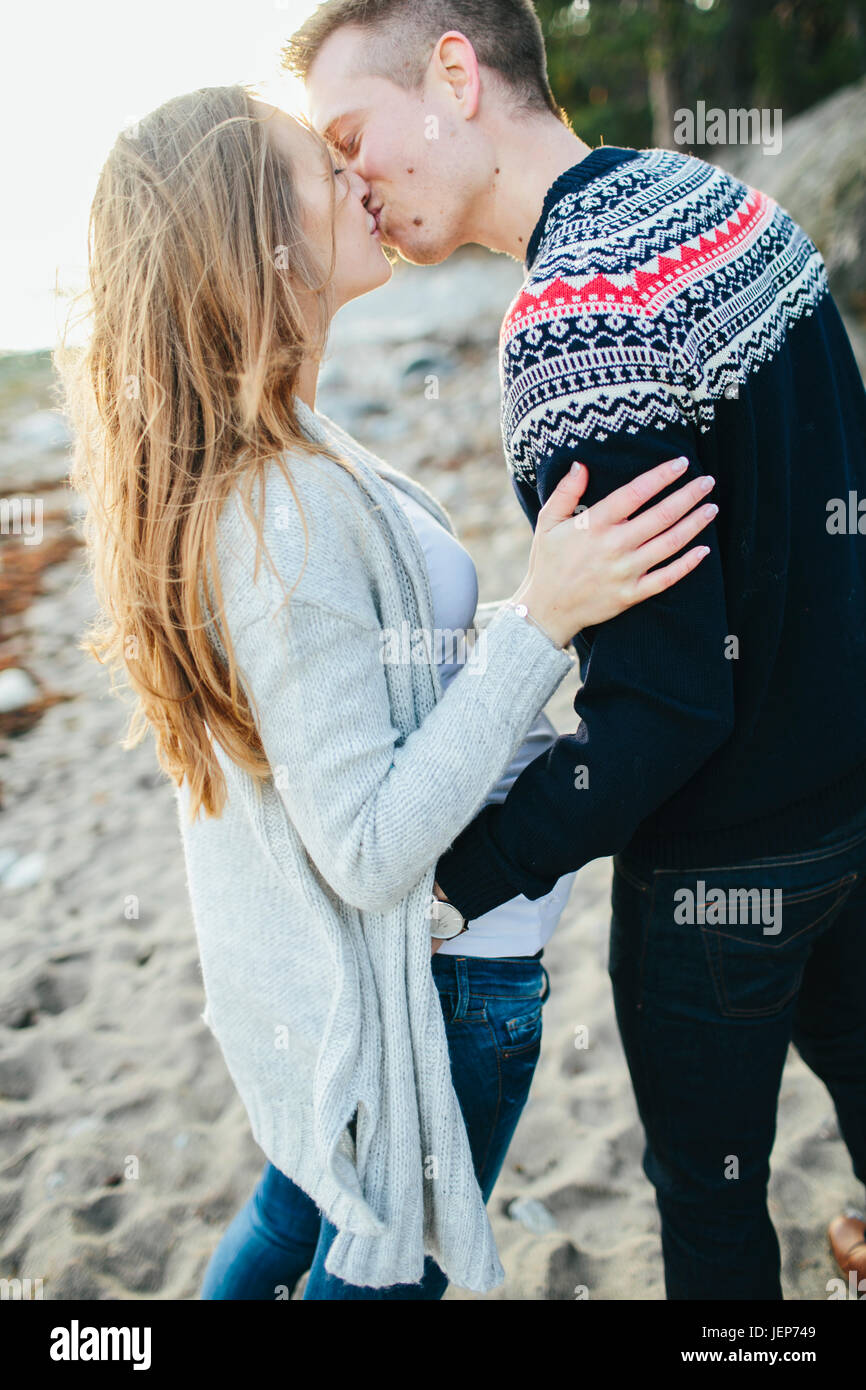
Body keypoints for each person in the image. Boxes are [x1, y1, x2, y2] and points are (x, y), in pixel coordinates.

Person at [57, 84, 717, 1300]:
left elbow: (363, 715)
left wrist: (539, 618)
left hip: (375, 984)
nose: (357, 175)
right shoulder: (280, 511)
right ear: (256, 239)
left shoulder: (281, 451)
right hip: (433, 988)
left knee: (297, 1212)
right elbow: (365, 844)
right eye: (318, 165)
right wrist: (545, 621)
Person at [291, 0, 866, 1299]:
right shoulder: (728, 206)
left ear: (453, 73)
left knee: (713, 1213)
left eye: (353, 135)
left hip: (722, 881)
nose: (351, 182)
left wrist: (459, 877)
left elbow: (662, 710)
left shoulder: (572, 321)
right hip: (855, 809)